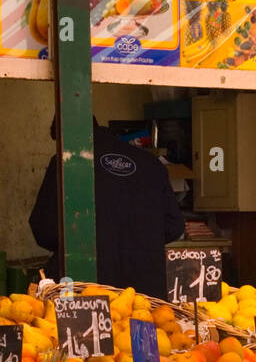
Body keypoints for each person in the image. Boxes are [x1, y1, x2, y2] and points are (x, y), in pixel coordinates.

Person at [29, 117, 184, 299]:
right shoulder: (151, 164)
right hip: (146, 289)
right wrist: (138, 242)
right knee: (146, 326)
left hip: (87, 286)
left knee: (86, 328)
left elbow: (44, 230)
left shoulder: (65, 163)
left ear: (65, 137)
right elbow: (174, 226)